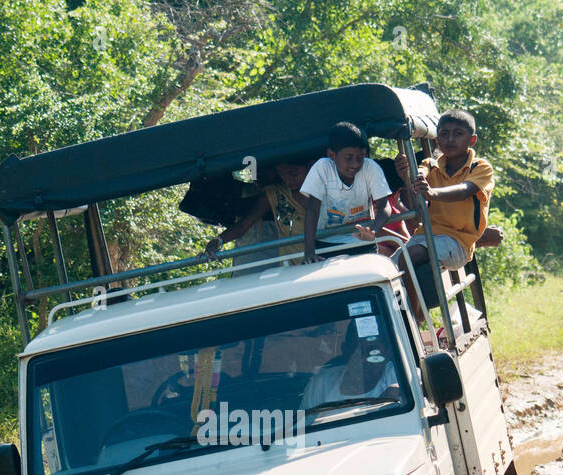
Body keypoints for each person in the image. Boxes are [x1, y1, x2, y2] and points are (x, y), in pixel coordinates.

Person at [392, 109, 495, 322]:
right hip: (426, 235)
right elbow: (419, 184)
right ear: (437, 139)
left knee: (408, 257)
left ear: (472, 139)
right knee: (387, 269)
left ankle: (415, 318)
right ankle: (399, 319)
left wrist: (431, 192)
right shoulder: (430, 164)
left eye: (458, 134)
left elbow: (464, 190)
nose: (450, 139)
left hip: (458, 242)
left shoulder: (480, 168)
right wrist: (408, 178)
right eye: (445, 134)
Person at [300, 122, 392, 263]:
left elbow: (384, 206)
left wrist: (373, 230)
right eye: (348, 158)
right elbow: (312, 210)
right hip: (327, 243)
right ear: (332, 155)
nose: (355, 164)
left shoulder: (371, 168)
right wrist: (309, 251)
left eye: (360, 157)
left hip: (362, 241)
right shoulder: (322, 168)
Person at [202, 159, 313, 262]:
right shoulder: (274, 193)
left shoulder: (324, 189)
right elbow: (242, 226)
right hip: (292, 267)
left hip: (322, 258)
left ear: (310, 167)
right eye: (282, 174)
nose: (288, 180)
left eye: (293, 174)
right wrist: (217, 241)